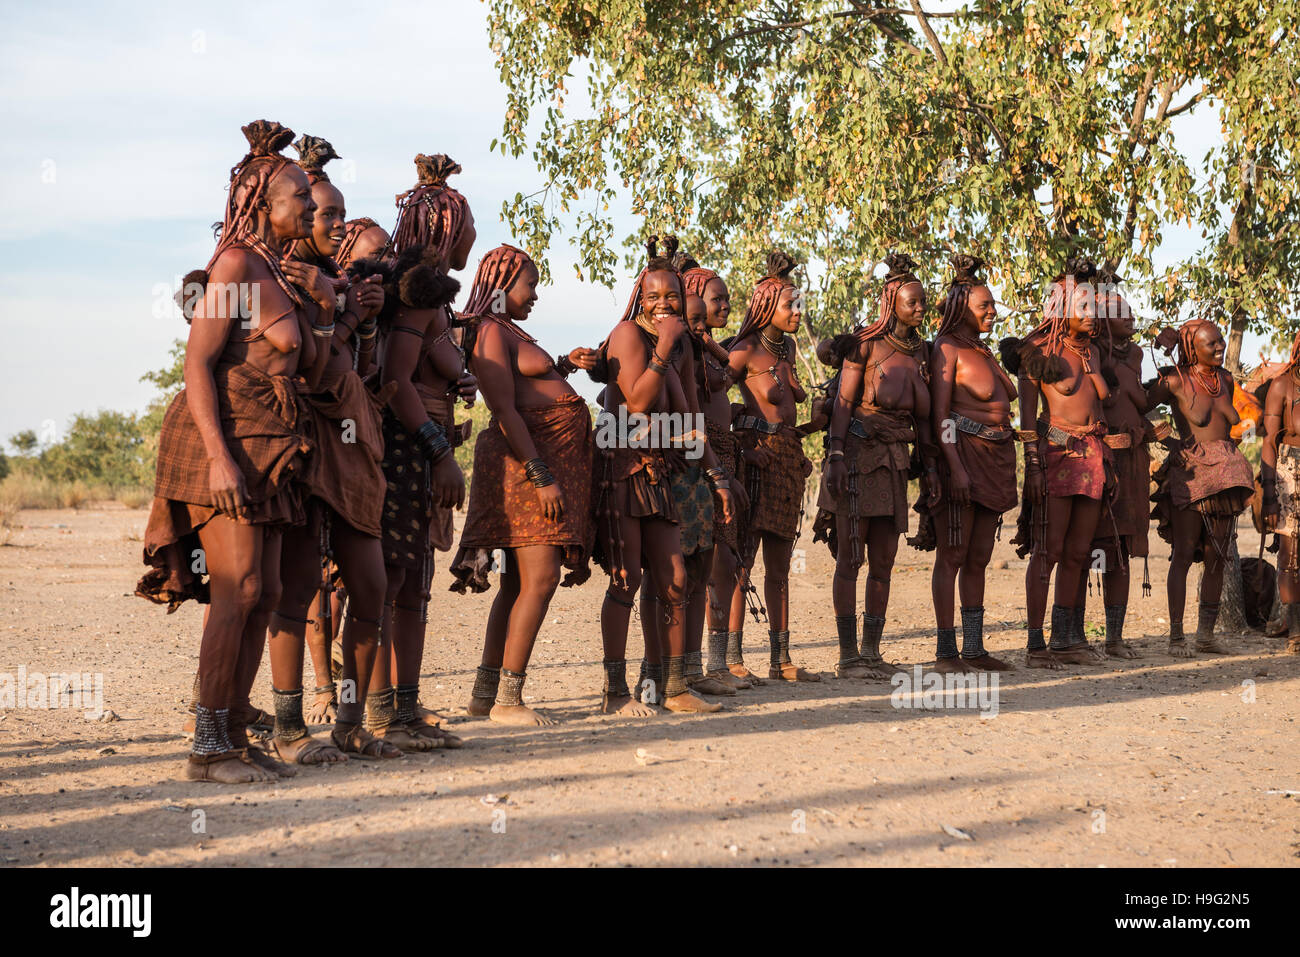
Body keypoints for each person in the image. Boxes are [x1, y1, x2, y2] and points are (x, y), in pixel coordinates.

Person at [137, 120, 337, 782]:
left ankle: (232, 730)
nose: (309, 209)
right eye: (298, 201)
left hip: (274, 446)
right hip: (226, 439)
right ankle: (207, 747)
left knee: (269, 587)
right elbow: (198, 362)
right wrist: (221, 459)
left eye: (310, 202)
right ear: (262, 203)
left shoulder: (279, 272)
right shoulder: (233, 265)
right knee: (239, 585)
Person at [261, 134, 398, 762]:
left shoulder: (329, 280)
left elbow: (357, 373)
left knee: (369, 590)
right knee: (295, 592)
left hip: (351, 451)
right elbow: (308, 371)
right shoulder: (282, 280)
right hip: (303, 449)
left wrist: (360, 320)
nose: (338, 226)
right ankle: (290, 730)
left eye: (342, 215)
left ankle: (349, 721)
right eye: (329, 215)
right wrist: (336, 315)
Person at [450, 244, 595, 724]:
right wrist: (540, 473)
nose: (535, 294)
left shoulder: (506, 330)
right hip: (525, 469)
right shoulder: (489, 330)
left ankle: (484, 696)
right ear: (501, 283)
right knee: (540, 577)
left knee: (516, 584)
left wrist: (563, 364)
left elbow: (527, 385)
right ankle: (508, 702)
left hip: (539, 464)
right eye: (529, 284)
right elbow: (504, 407)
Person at [590, 238, 729, 715]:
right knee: (626, 579)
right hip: (626, 469)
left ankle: (670, 688)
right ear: (640, 298)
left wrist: (716, 475)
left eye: (672, 294)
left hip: (666, 471)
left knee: (671, 577)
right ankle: (614, 694)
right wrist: (665, 349)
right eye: (654, 295)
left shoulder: (683, 347)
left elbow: (690, 417)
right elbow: (638, 402)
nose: (665, 303)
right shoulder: (629, 335)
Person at [369, 152, 477, 748]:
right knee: (394, 584)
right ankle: (385, 714)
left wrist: (457, 376)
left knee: (412, 584)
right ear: (444, 228)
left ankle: (404, 711)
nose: (470, 236)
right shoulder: (413, 292)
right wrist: (440, 453)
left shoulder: (426, 296)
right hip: (402, 452)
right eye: (465, 224)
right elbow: (395, 382)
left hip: (413, 448)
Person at [820, 253, 935, 679]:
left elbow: (925, 418)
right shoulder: (866, 345)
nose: (920, 308)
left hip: (895, 464)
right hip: (857, 460)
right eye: (913, 302)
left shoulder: (923, 351)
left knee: (884, 559)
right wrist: (834, 455)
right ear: (892, 303)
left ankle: (871, 651)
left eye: (923, 301)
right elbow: (845, 403)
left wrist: (931, 470)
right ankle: (848, 656)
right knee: (851, 558)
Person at [1006, 259, 1112, 668]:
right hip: (1056, 456)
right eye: (1084, 308)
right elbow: (1029, 420)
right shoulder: (1038, 352)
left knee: (1078, 552)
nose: (1093, 316)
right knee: (1047, 551)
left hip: (1094, 457)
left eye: (1096, 308)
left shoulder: (1093, 354)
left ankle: (1066, 641)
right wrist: (1033, 466)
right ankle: (1036, 646)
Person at [727, 252, 819, 682]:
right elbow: (712, 404)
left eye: (799, 305)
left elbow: (788, 412)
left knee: (780, 567)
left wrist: (807, 432)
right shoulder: (741, 351)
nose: (798, 312)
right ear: (767, 307)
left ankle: (781, 660)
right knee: (742, 563)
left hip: (785, 462)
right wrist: (743, 447)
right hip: (756, 462)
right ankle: (730, 658)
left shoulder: (790, 348)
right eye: (790, 306)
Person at [925, 255, 1018, 672]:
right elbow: (940, 416)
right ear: (962, 308)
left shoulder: (981, 349)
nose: (993, 312)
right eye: (985, 306)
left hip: (996, 457)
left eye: (993, 305)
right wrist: (954, 464)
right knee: (953, 553)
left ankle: (975, 649)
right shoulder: (947, 349)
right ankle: (947, 653)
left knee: (979, 555)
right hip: (964, 456)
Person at [1148, 319, 1254, 656]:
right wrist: (1169, 442)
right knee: (1183, 553)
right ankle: (1177, 637)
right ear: (1193, 349)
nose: (1220, 347)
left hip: (1225, 477)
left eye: (1222, 341)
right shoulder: (1174, 380)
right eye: (1212, 344)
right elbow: (1137, 409)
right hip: (1190, 475)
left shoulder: (1224, 379)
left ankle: (1205, 635)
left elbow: (1240, 422)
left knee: (1217, 557)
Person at [1078, 270, 1156, 658]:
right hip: (1095, 460)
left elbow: (1139, 399)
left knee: (1122, 549)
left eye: (1129, 310)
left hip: (1132, 462)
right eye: (1118, 312)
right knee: (1082, 547)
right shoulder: (1090, 354)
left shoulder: (1138, 354)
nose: (1129, 317)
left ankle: (1114, 638)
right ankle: (1072, 636)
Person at [1261, 330, 1300, 655]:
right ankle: (1294, 628)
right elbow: (1269, 442)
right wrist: (1270, 495)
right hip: (1291, 474)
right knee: (1290, 556)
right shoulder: (1282, 386)